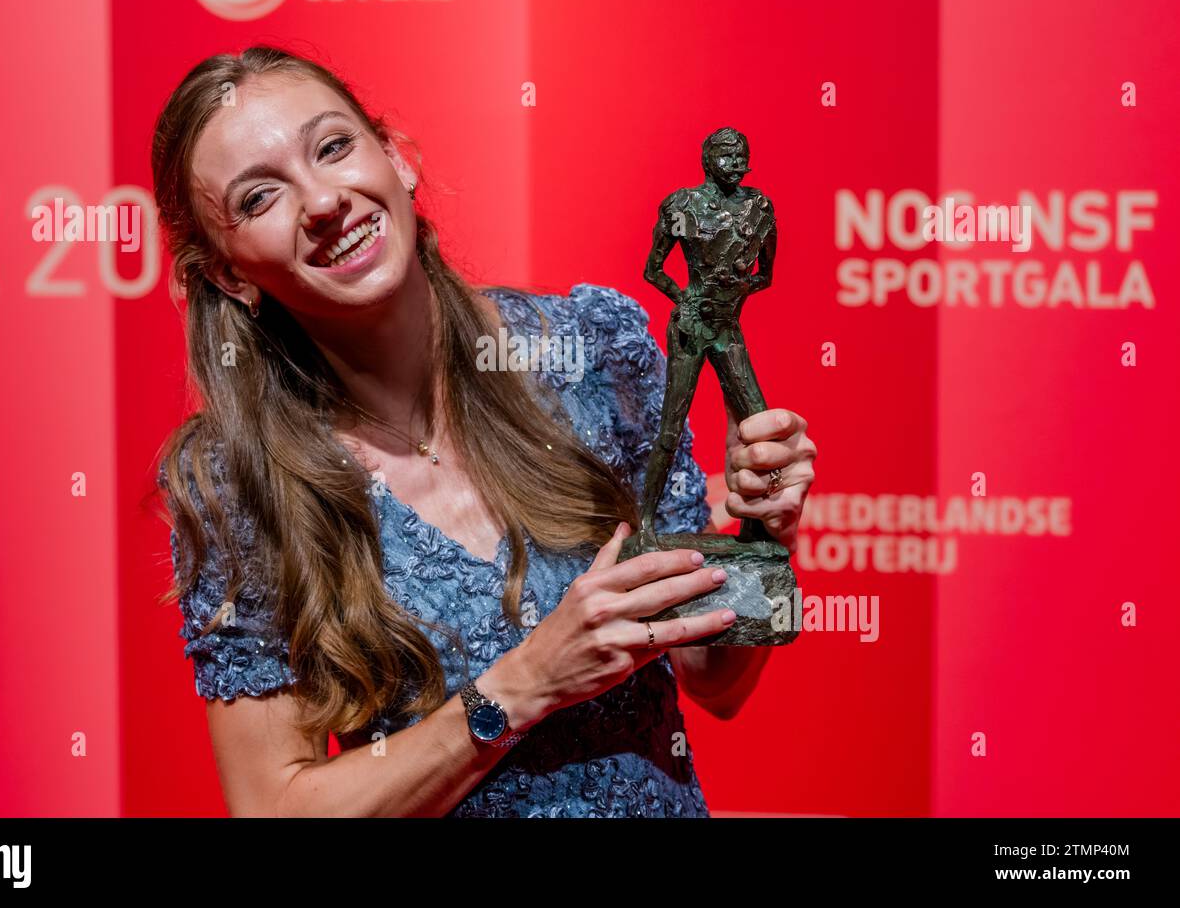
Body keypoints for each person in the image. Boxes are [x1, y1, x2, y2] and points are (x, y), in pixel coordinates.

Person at [151, 45, 817, 817]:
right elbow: (275, 808)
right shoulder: (242, 481)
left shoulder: (589, 354)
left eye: (333, 148)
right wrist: (523, 686)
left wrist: (763, 529)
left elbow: (713, 677)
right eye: (261, 197)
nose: (324, 200)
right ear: (230, 274)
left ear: (396, 157)